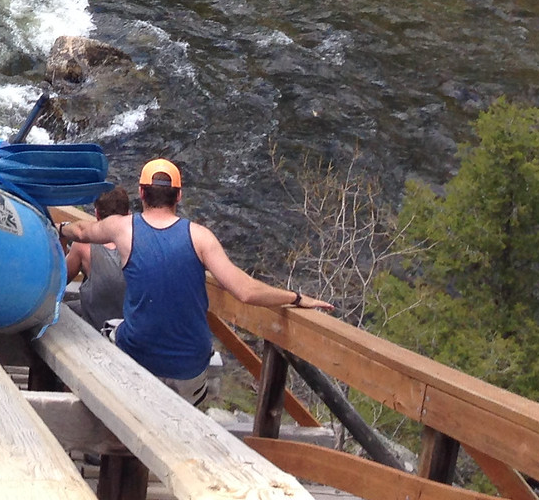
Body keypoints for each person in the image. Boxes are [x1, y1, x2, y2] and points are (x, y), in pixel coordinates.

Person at [59, 158, 333, 406]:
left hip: (139, 351)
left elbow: (82, 230)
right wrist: (296, 298)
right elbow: (247, 291)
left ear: (141, 193)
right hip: (189, 362)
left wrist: (59, 228)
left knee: (109, 333)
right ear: (178, 195)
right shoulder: (201, 237)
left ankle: (108, 412)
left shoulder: (123, 228)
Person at [67, 186, 132, 329]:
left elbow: (59, 281)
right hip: (128, 327)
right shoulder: (141, 244)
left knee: (63, 309)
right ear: (128, 215)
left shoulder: (83, 246)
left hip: (96, 329)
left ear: (96, 214)